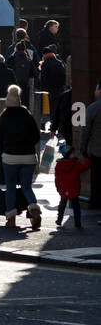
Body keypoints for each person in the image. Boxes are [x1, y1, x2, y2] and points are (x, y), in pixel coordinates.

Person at [0, 84, 42, 231]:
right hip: (28, 157)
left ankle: (11, 219)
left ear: (8, 102)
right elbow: (36, 136)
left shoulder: (4, 117)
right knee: (26, 187)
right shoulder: (28, 116)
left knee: (11, 187)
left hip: (10, 157)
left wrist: (1, 149)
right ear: (20, 101)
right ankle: (33, 209)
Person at [54, 142, 90, 230]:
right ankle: (77, 223)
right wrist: (87, 158)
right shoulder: (75, 164)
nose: (74, 154)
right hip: (73, 188)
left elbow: (57, 177)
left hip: (63, 188)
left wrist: (58, 188)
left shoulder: (59, 165)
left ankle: (59, 220)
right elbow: (85, 167)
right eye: (73, 153)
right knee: (76, 206)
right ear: (69, 155)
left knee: (62, 205)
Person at [82, 80, 101, 211]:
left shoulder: (92, 108)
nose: (94, 92)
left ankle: (97, 203)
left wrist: (83, 149)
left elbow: (85, 131)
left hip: (97, 151)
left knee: (97, 179)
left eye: (96, 89)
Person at [39, 49, 66, 131]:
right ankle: (58, 125)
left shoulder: (45, 64)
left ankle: (43, 124)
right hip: (59, 89)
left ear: (44, 54)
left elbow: (43, 78)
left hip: (48, 89)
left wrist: (42, 87)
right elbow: (63, 75)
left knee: (46, 107)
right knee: (57, 108)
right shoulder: (59, 62)